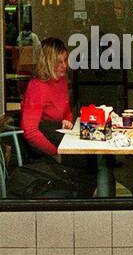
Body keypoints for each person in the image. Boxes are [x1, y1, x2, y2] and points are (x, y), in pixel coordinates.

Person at [13, 37, 94, 197]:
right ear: (48, 62)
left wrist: (67, 120)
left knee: (90, 158)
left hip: (59, 135)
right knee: (84, 163)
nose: (64, 66)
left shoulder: (61, 80)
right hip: (42, 147)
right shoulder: (37, 87)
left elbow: (65, 110)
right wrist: (55, 152)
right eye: (59, 62)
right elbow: (30, 131)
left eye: (65, 60)